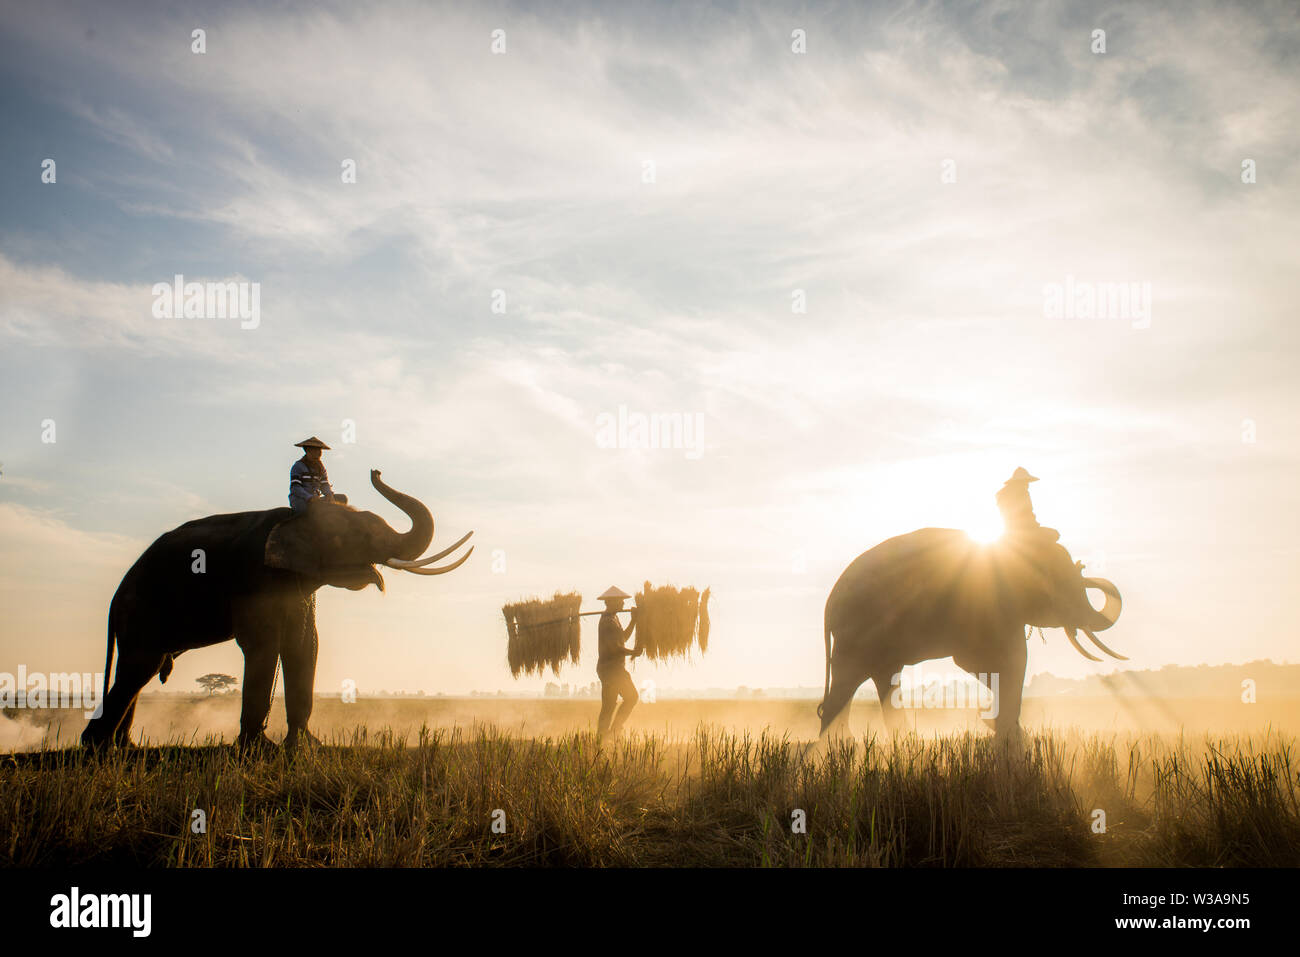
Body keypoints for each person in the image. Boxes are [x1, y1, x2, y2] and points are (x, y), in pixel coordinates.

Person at [596, 585, 641, 740]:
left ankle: (608, 734)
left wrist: (633, 621)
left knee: (613, 704)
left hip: (614, 669)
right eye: (620, 601)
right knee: (626, 699)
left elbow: (622, 639)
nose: (623, 604)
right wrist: (633, 652)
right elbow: (615, 648)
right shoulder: (607, 622)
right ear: (612, 602)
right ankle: (608, 734)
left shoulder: (613, 619)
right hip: (611, 670)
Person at [995, 467, 1060, 543]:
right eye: (1026, 481)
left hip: (1008, 528)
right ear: (1023, 481)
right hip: (1025, 529)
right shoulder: (1022, 491)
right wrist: (1035, 525)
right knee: (1054, 534)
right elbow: (1027, 511)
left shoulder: (1002, 493)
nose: (1027, 484)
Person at [288, 437, 347, 513]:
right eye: (314, 451)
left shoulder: (321, 468)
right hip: (300, 500)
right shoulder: (298, 466)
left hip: (316, 499)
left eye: (319, 451)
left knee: (342, 498)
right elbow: (295, 488)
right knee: (305, 510)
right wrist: (309, 497)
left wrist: (329, 494)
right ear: (307, 451)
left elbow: (324, 484)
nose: (318, 454)